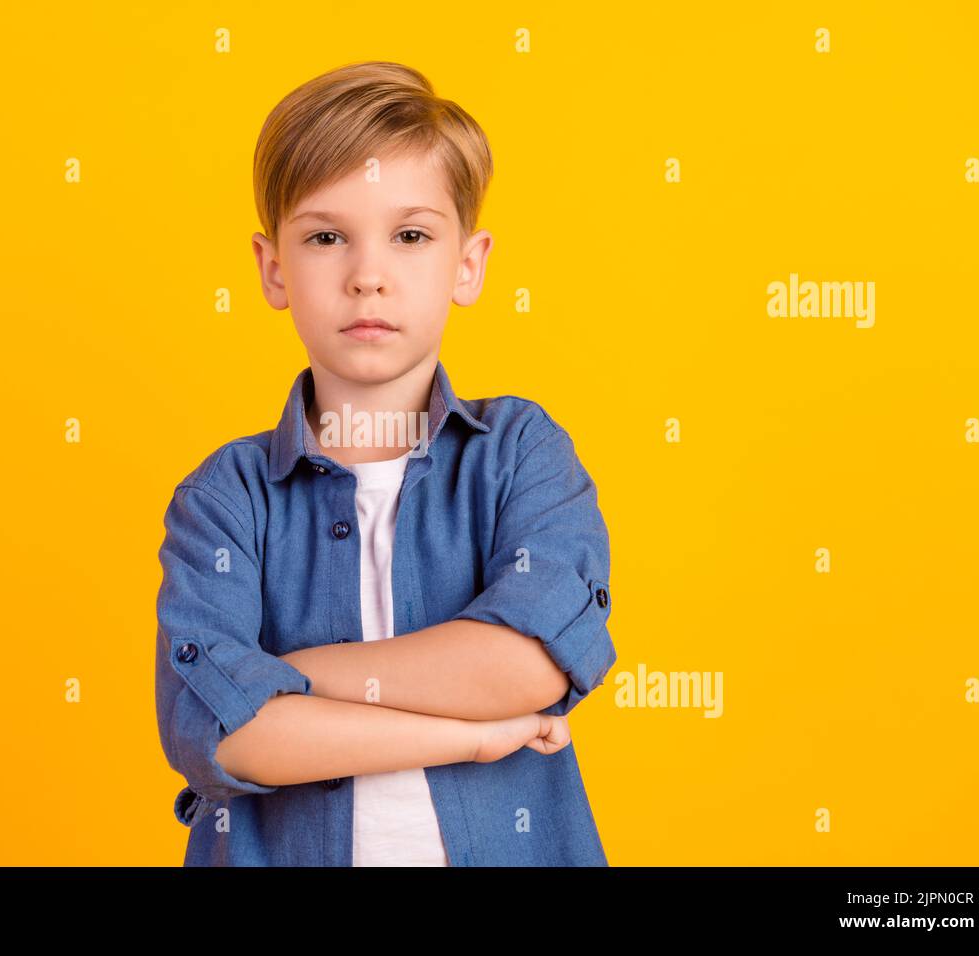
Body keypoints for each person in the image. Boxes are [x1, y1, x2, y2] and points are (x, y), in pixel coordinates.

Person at [155, 60, 616, 866]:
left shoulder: (520, 453)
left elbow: (526, 663)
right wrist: (467, 740)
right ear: (273, 269)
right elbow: (229, 731)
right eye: (326, 237)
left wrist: (288, 674)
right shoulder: (221, 499)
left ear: (468, 264)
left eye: (410, 236)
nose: (368, 275)